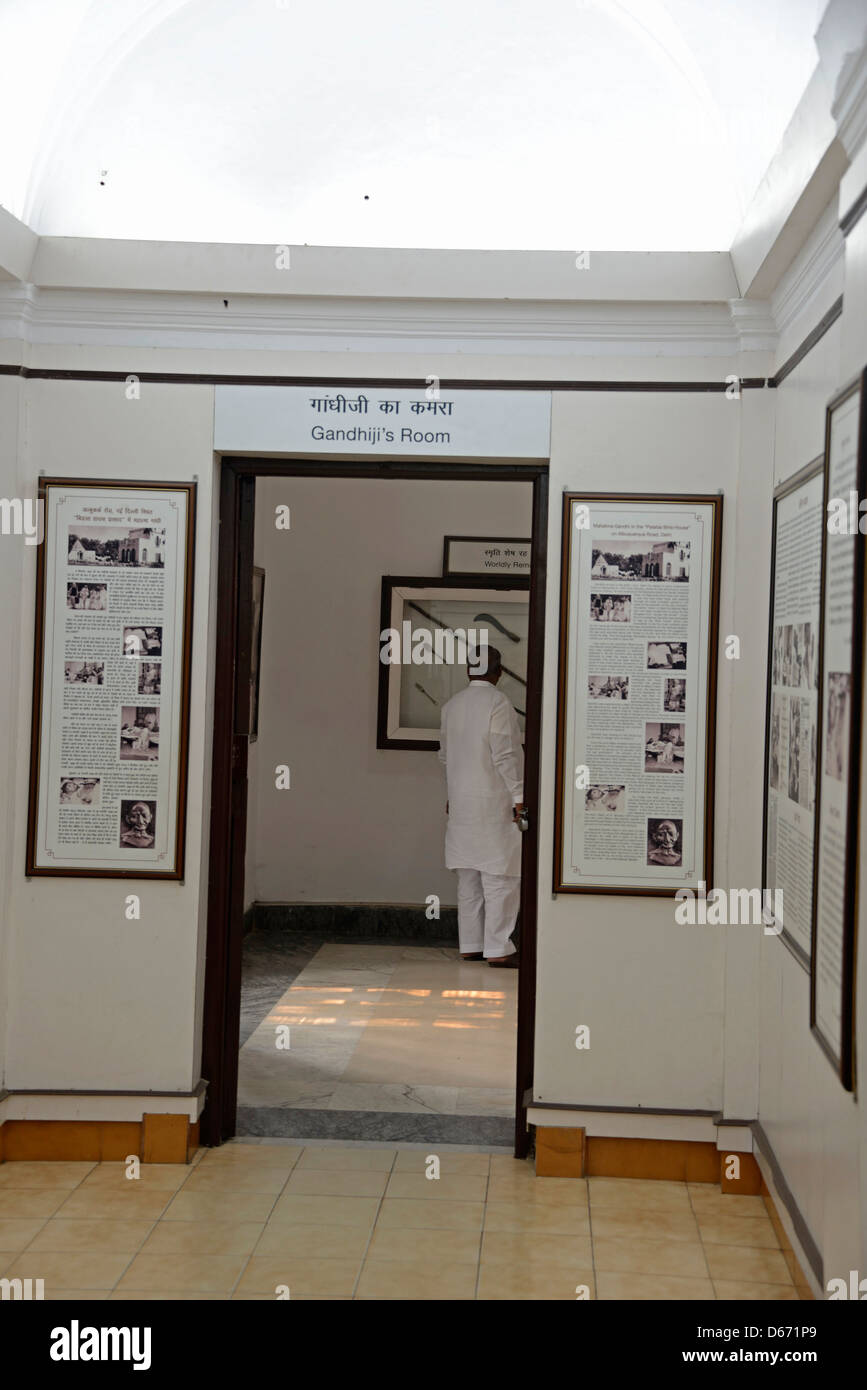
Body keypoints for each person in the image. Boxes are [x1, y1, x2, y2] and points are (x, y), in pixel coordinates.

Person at [438, 645, 523, 968]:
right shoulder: (498, 703)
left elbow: (445, 756)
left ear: (468, 671)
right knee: (499, 875)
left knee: (468, 877)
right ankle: (498, 948)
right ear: (498, 671)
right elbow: (504, 754)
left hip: (461, 803)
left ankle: (470, 944)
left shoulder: (451, 706)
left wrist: (452, 792)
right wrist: (519, 796)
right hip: (493, 801)